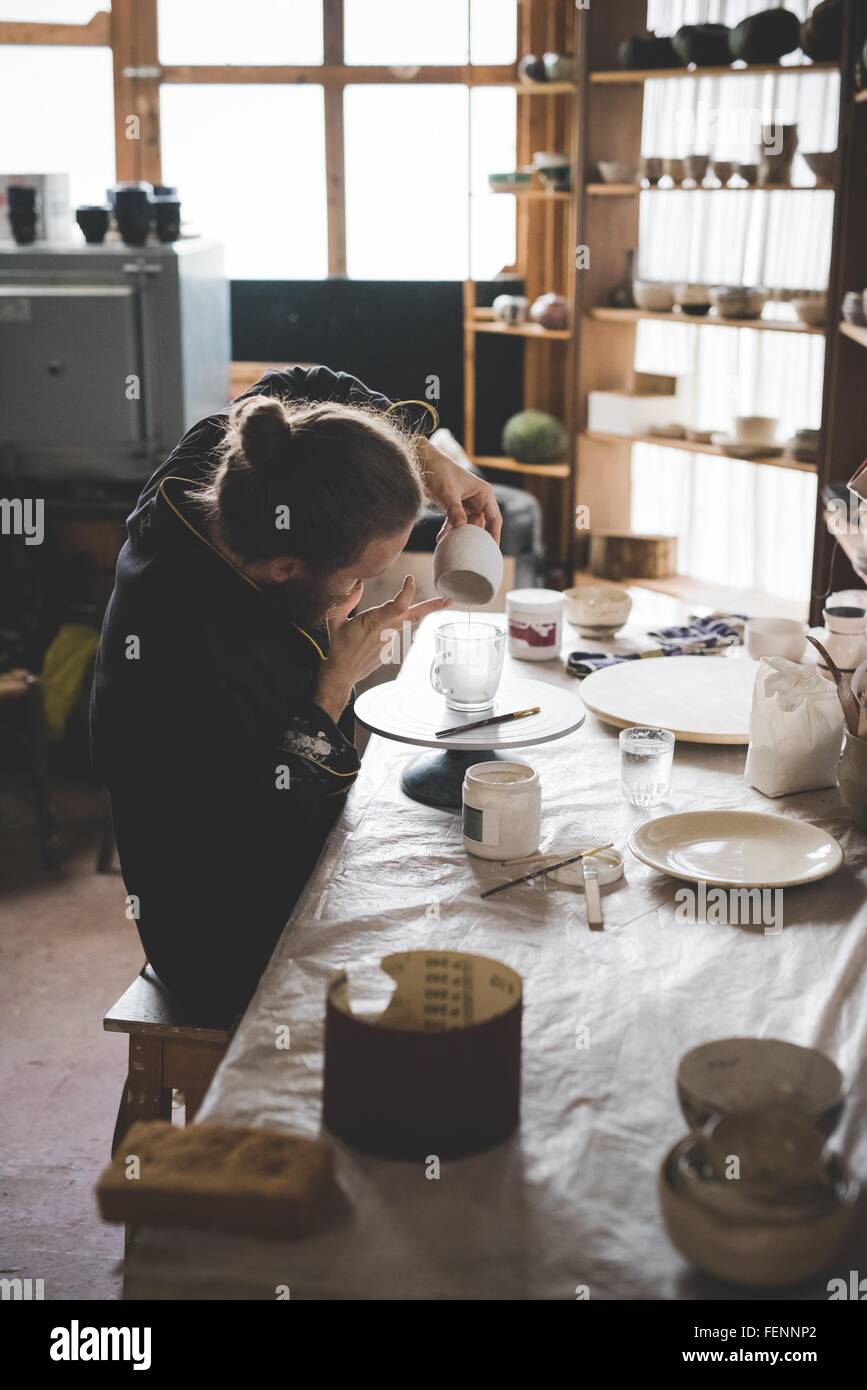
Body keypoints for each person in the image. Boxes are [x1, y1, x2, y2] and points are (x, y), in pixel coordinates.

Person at [91, 366, 502, 1019]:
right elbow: (260, 837)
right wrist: (333, 686)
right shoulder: (195, 654)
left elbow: (304, 385)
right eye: (361, 576)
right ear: (284, 568)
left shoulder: (237, 462)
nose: (365, 591)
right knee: (460, 934)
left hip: (270, 849)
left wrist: (426, 461)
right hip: (218, 933)